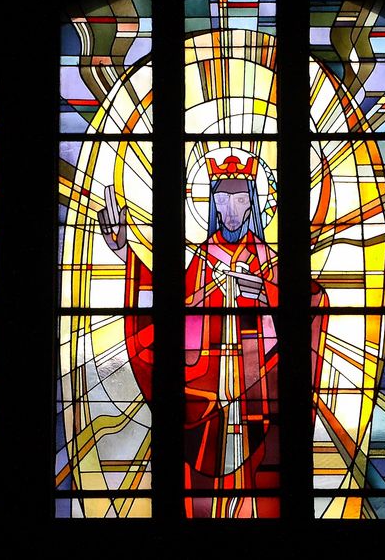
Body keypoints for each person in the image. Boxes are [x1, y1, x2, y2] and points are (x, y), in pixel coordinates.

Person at [99, 154, 328, 517]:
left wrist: (267, 298)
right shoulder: (202, 261)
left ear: (254, 202)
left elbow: (312, 303)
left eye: (240, 199)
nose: (231, 209)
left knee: (266, 487)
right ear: (211, 204)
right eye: (222, 199)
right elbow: (167, 309)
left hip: (260, 400)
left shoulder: (268, 260)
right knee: (200, 498)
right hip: (203, 398)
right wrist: (125, 252)